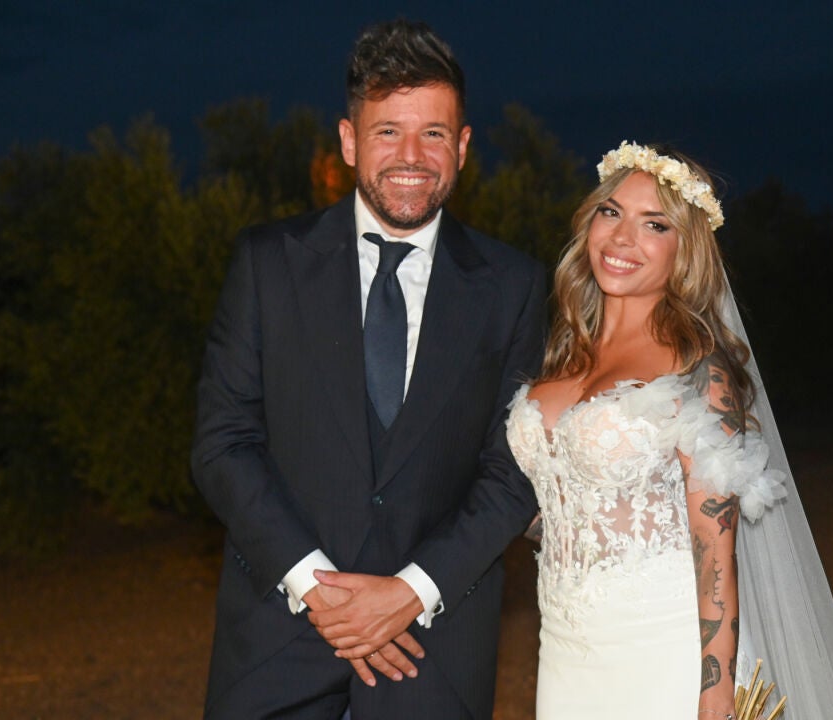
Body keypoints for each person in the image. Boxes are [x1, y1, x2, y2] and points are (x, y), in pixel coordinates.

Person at [191, 18, 547, 720]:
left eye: (433, 134)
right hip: (276, 647)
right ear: (350, 140)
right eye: (388, 131)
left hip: (432, 654)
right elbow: (222, 444)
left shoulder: (514, 285)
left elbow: (512, 473)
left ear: (464, 147)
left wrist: (409, 592)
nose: (410, 155)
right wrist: (322, 592)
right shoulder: (268, 264)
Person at [505, 142, 833, 718]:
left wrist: (717, 692)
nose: (623, 238)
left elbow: (716, 550)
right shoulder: (562, 355)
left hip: (666, 648)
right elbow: (559, 513)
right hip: (566, 650)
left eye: (654, 224)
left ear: (685, 252)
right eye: (611, 212)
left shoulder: (698, 371)